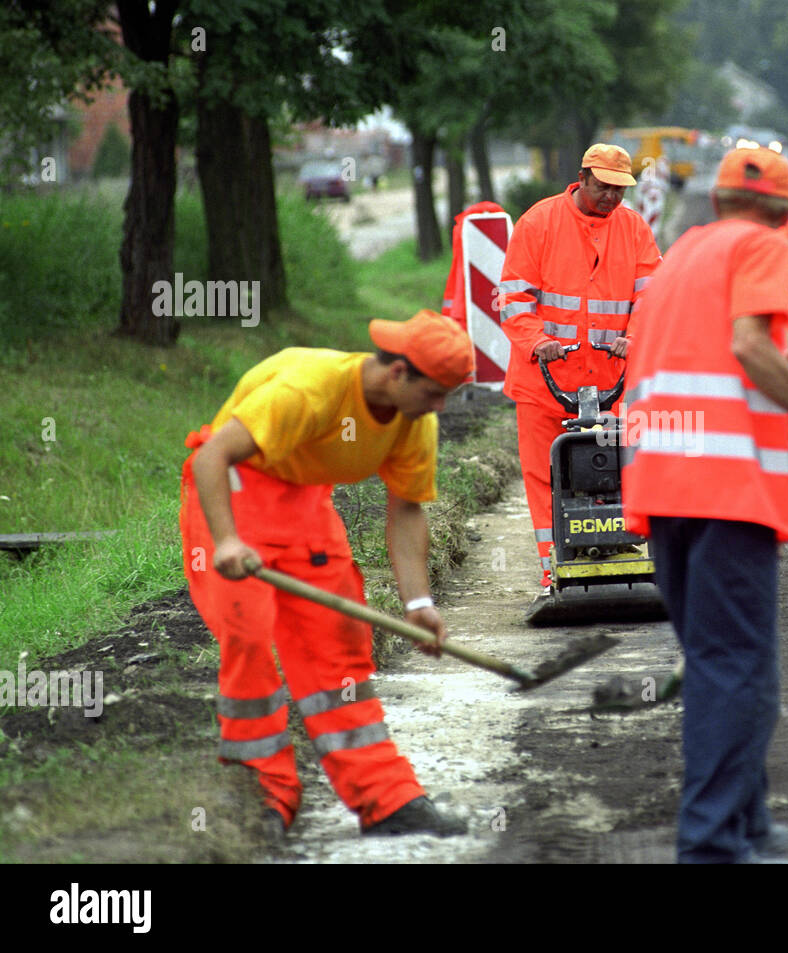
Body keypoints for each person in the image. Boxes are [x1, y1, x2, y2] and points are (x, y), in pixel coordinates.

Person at [621, 148, 788, 863]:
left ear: (720, 198)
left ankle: (747, 823)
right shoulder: (761, 247)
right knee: (738, 666)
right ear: (786, 212)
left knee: (716, 661)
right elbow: (751, 347)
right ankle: (711, 843)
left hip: (662, 489)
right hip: (725, 493)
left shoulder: (682, 254)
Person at [179, 310, 475, 837]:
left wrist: (418, 604)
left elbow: (406, 511)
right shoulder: (311, 389)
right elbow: (212, 458)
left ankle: (386, 798)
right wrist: (226, 539)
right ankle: (262, 794)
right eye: (435, 392)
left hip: (304, 502)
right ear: (398, 374)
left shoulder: (414, 422)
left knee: (337, 646)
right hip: (235, 487)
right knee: (246, 634)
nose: (441, 407)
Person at [496, 144, 662, 596]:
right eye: (604, 186)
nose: (611, 197)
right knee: (544, 475)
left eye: (619, 190)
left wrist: (637, 336)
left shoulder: (633, 229)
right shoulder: (539, 222)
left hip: (613, 381)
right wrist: (539, 342)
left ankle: (622, 550)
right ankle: (553, 565)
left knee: (618, 467)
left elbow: (652, 294)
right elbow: (513, 298)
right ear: (582, 177)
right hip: (543, 384)